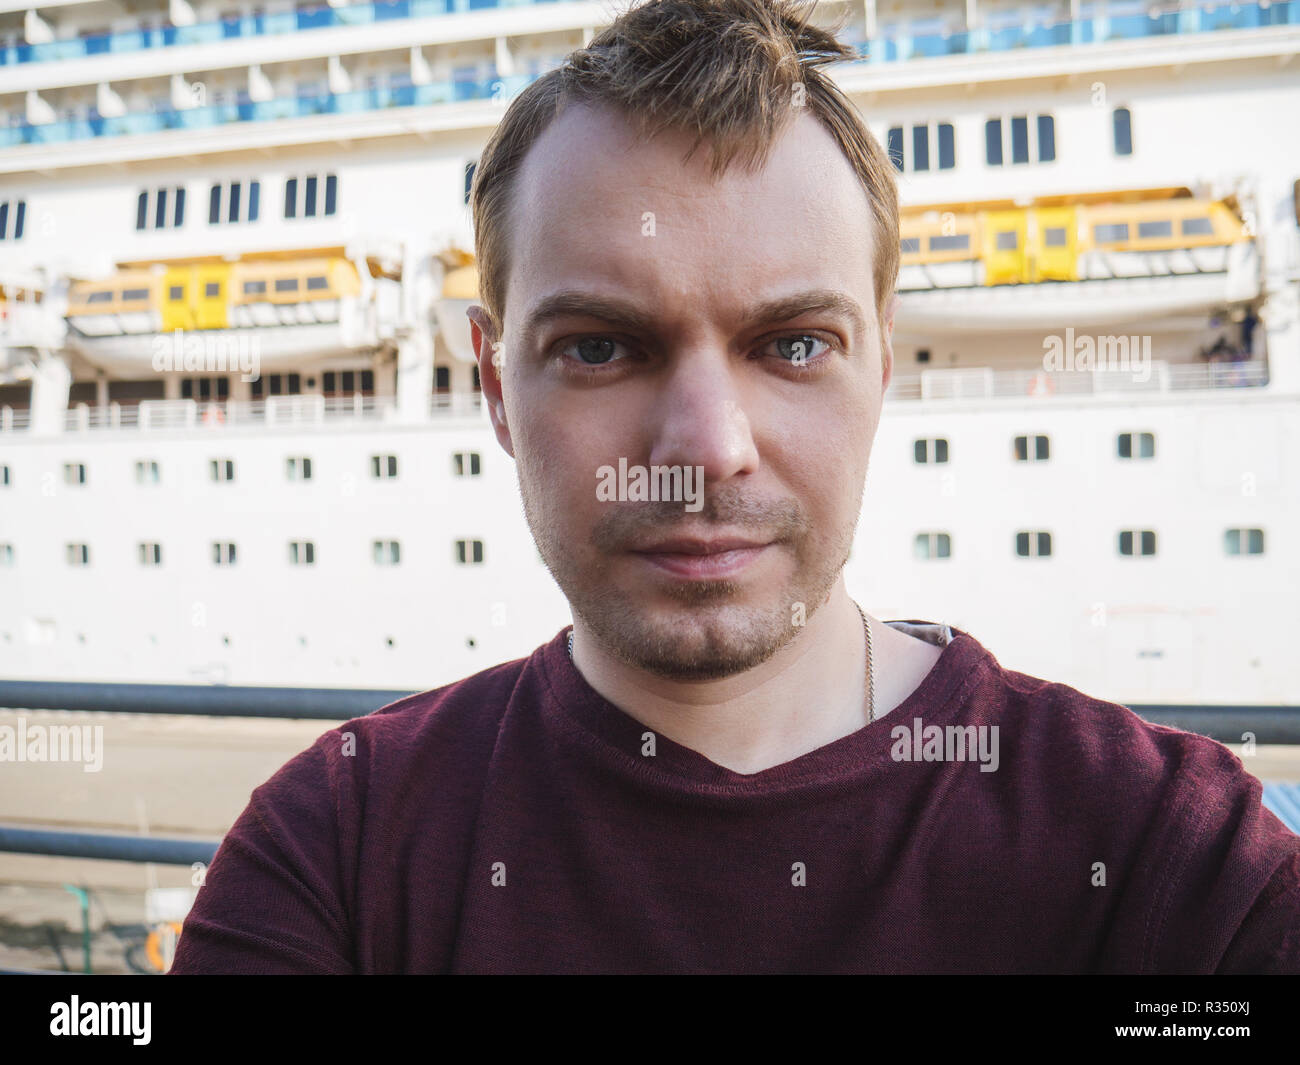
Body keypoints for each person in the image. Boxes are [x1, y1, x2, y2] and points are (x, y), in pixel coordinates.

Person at [169, 0, 1300, 974]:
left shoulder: (1175, 855)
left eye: (794, 344)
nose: (708, 448)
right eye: (603, 347)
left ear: (884, 364)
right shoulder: (332, 850)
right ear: (495, 385)